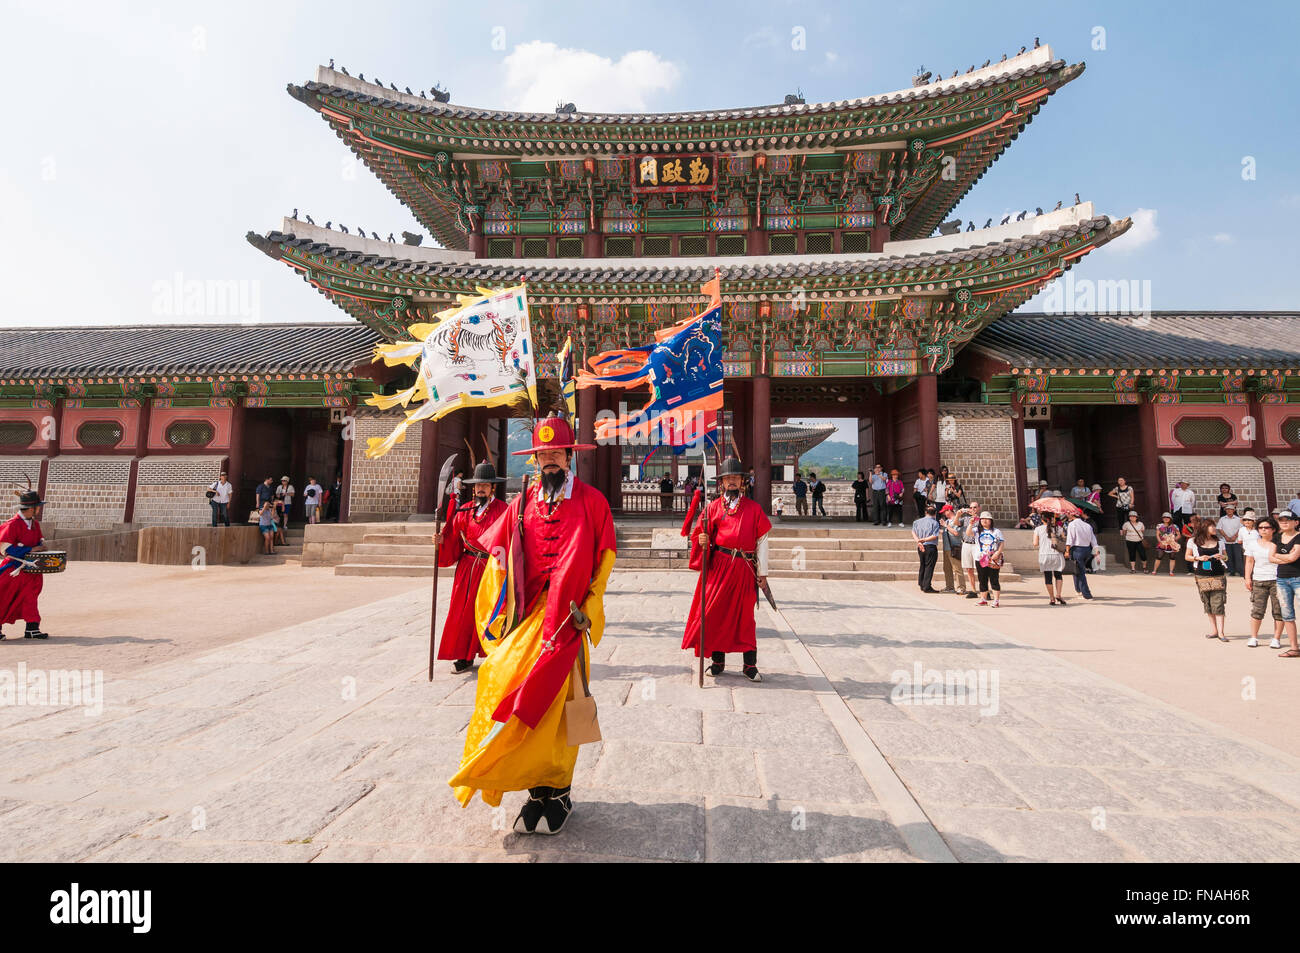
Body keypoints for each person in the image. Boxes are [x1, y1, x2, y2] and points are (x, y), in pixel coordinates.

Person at [449, 416, 616, 835]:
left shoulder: (593, 501)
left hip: (567, 622)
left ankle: (557, 790)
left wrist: (590, 608)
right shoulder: (523, 503)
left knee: (560, 711)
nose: (550, 462)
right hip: (527, 619)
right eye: (543, 455)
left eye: (557, 454)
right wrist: (498, 586)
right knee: (499, 681)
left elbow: (605, 561)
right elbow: (498, 556)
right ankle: (529, 786)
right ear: (536, 459)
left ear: (569, 457)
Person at [684, 456, 772, 682]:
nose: (731, 482)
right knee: (715, 614)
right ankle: (717, 662)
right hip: (719, 568)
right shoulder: (712, 508)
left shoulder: (754, 509)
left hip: (744, 568)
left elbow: (762, 540)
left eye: (735, 478)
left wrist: (762, 573)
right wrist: (702, 540)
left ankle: (749, 665)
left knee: (745, 617)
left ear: (742, 482)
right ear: (721, 483)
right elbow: (699, 536)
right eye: (727, 479)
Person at [433, 461, 509, 673]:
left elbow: (512, 540)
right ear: (473, 488)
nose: (481, 489)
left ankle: (495, 653)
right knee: (463, 612)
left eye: (485, 485)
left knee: (493, 611)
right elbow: (453, 538)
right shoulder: (465, 510)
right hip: (467, 567)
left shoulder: (504, 510)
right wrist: (441, 540)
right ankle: (463, 656)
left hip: (492, 568)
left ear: (493, 487)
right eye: (478, 486)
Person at [0, 490, 51, 640]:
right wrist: (31, 549)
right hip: (13, 569)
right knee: (3, 597)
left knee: (30, 597)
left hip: (31, 569)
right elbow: (5, 548)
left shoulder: (34, 524)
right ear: (31, 509)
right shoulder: (12, 524)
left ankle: (32, 628)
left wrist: (41, 545)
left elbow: (38, 541)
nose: (39, 509)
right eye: (38, 507)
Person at [1244, 516, 1285, 650]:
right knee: (1257, 610)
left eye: (1266, 527)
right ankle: (1254, 637)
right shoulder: (1253, 543)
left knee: (1279, 611)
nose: (1263, 530)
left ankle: (1276, 638)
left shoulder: (1279, 544)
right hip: (1259, 579)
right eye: (1260, 528)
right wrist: (1247, 578)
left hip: (1277, 579)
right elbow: (1249, 561)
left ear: (1273, 529)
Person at [1185, 520, 1229, 642]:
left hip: (1218, 574)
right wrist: (1198, 557)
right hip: (1201, 575)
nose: (1214, 528)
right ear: (1204, 528)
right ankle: (1214, 630)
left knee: (1218, 602)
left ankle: (1221, 632)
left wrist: (1222, 557)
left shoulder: (1220, 542)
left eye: (1214, 526)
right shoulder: (1193, 541)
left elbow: (1226, 556)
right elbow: (1187, 556)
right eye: (1211, 526)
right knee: (1207, 603)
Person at [1272, 510, 1300, 658]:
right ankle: (1294, 648)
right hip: (1282, 579)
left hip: (1298, 578)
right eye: (1281, 520)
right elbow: (1270, 557)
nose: (1284, 522)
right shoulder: (1276, 537)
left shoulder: (1299, 537)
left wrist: (1278, 555)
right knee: (1287, 615)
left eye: (1287, 520)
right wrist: (1285, 557)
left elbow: (1294, 557)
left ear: (1296, 522)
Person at [1034, 513, 1067, 605]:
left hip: (1044, 555)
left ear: (1042, 520)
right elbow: (1064, 540)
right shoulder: (1059, 529)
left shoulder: (1038, 529)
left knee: (1048, 577)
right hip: (1057, 554)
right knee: (1058, 575)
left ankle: (1052, 598)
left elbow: (1035, 543)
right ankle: (1059, 595)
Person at [1066, 511, 1099, 600]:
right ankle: (1078, 590)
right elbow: (1093, 540)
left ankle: (1086, 594)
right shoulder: (1087, 525)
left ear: (1072, 515)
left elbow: (1070, 539)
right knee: (1076, 570)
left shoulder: (1072, 525)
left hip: (1077, 549)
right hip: (1087, 549)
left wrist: (1067, 551)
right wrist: (1096, 551)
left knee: (1080, 572)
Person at [975, 511, 1005, 607]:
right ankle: (983, 598)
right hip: (981, 557)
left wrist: (998, 553)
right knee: (982, 578)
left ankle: (996, 600)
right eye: (982, 519)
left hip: (993, 558)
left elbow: (1001, 543)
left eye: (987, 519)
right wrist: (971, 523)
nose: (984, 520)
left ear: (991, 521)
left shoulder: (996, 531)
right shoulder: (977, 530)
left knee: (994, 578)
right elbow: (968, 533)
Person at [911, 503, 942, 593]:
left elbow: (913, 532)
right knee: (929, 566)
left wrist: (919, 542)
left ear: (925, 512)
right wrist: (924, 540)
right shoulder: (935, 523)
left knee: (922, 564)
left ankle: (921, 583)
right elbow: (934, 536)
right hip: (930, 546)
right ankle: (927, 586)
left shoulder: (917, 522)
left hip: (921, 546)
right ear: (935, 514)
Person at [939, 503, 965, 594]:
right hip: (946, 548)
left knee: (957, 569)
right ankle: (950, 587)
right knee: (947, 568)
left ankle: (961, 588)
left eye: (945, 511)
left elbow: (956, 533)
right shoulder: (947, 521)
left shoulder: (958, 520)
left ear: (949, 510)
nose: (944, 514)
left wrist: (946, 526)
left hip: (954, 547)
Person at [959, 500, 981, 598]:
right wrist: (958, 514)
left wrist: (974, 517)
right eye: (971, 507)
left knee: (980, 568)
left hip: (976, 545)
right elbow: (956, 523)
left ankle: (985, 589)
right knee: (969, 568)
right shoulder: (965, 519)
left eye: (975, 507)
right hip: (966, 544)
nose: (973, 509)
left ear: (979, 508)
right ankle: (973, 590)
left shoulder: (981, 519)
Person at [1217, 501, 1244, 577]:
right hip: (1226, 541)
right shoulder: (1222, 519)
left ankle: (1241, 571)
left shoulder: (1238, 519)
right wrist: (1226, 536)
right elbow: (1219, 528)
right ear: (1225, 510)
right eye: (1227, 509)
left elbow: (1241, 528)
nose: (1229, 511)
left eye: (1231, 509)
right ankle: (1231, 571)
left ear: (1234, 510)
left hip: (1236, 540)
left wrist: (1235, 536)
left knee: (1238, 556)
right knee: (1228, 556)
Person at [1151, 511, 1180, 576]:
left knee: (1172, 557)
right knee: (1159, 556)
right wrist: (1160, 542)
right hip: (1163, 543)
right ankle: (1154, 570)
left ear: (1170, 518)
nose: (1166, 518)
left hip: (1172, 543)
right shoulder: (1159, 526)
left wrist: (1173, 540)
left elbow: (1178, 535)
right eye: (1164, 517)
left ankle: (1171, 572)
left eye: (1167, 517)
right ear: (1162, 518)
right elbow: (1157, 535)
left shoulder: (1174, 526)